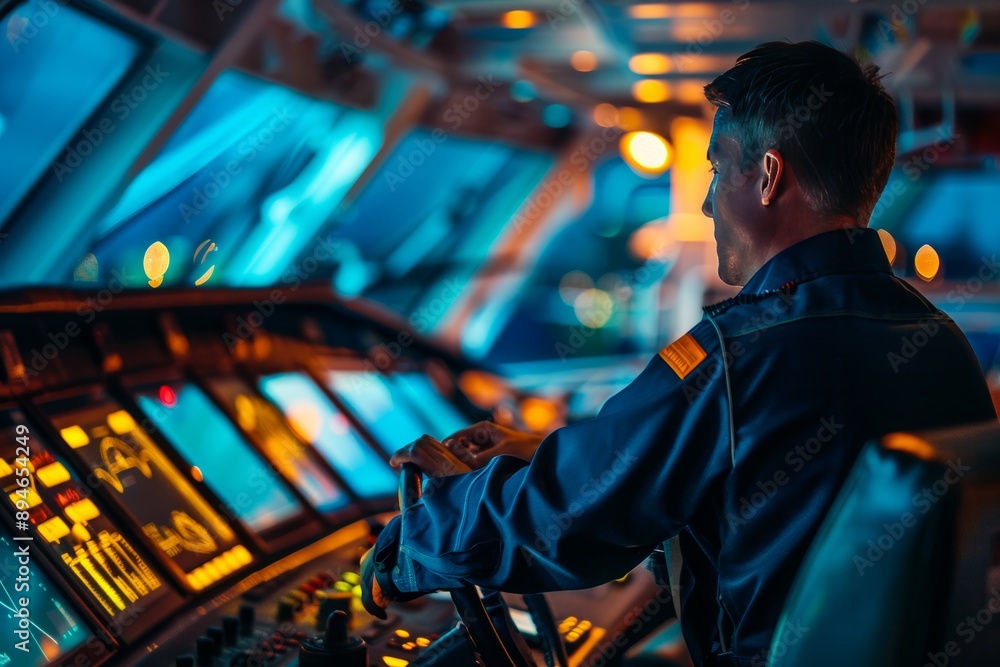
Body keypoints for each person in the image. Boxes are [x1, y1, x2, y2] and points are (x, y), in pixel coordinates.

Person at [360, 41, 998, 666]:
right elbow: (742, 467)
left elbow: (566, 521)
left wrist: (412, 542)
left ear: (770, 177)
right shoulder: (940, 340)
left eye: (719, 169)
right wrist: (539, 451)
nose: (705, 198)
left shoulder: (740, 351)